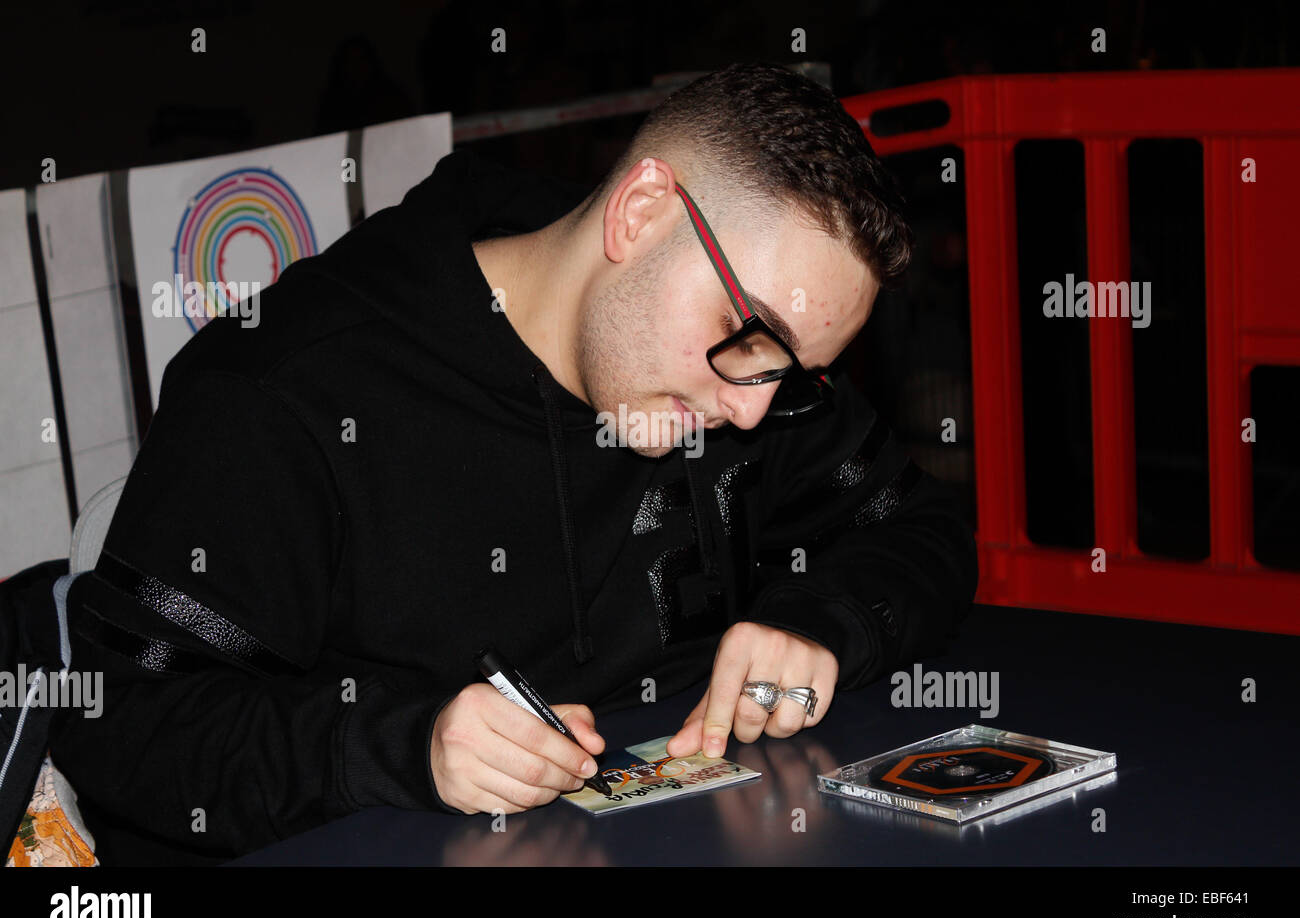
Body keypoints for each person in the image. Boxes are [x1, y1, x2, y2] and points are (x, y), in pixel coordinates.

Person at [50, 62, 978, 864]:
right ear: (642, 211)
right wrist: (407, 748)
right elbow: (121, 727)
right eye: (749, 343)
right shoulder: (284, 389)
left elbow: (926, 528)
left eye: (797, 377)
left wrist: (822, 623)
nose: (749, 409)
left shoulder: (745, 378)